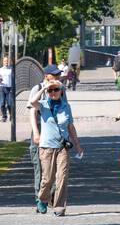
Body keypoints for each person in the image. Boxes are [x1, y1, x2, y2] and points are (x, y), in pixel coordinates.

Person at [30, 72, 85, 216]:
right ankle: (42, 199)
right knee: (47, 178)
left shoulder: (66, 106)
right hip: (46, 147)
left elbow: (70, 126)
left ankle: (59, 206)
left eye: (56, 90)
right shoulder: (43, 105)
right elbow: (32, 102)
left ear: (61, 91)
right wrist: (43, 88)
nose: (53, 92)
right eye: (50, 90)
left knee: (62, 177)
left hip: (62, 147)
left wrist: (77, 145)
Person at [26, 64, 59, 202]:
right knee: (39, 166)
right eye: (54, 75)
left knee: (54, 167)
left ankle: (51, 195)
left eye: (58, 74)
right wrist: (36, 133)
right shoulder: (38, 89)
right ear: (46, 76)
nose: (58, 77)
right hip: (40, 129)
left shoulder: (59, 88)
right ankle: (39, 198)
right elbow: (32, 112)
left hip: (54, 131)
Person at [0, 53, 14, 123]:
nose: (6, 62)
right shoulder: (0, 69)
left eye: (7, 61)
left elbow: (14, 79)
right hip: (2, 87)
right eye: (5, 61)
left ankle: (11, 115)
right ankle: (4, 116)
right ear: (3, 62)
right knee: (2, 103)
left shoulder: (11, 69)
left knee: (9, 104)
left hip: (9, 88)